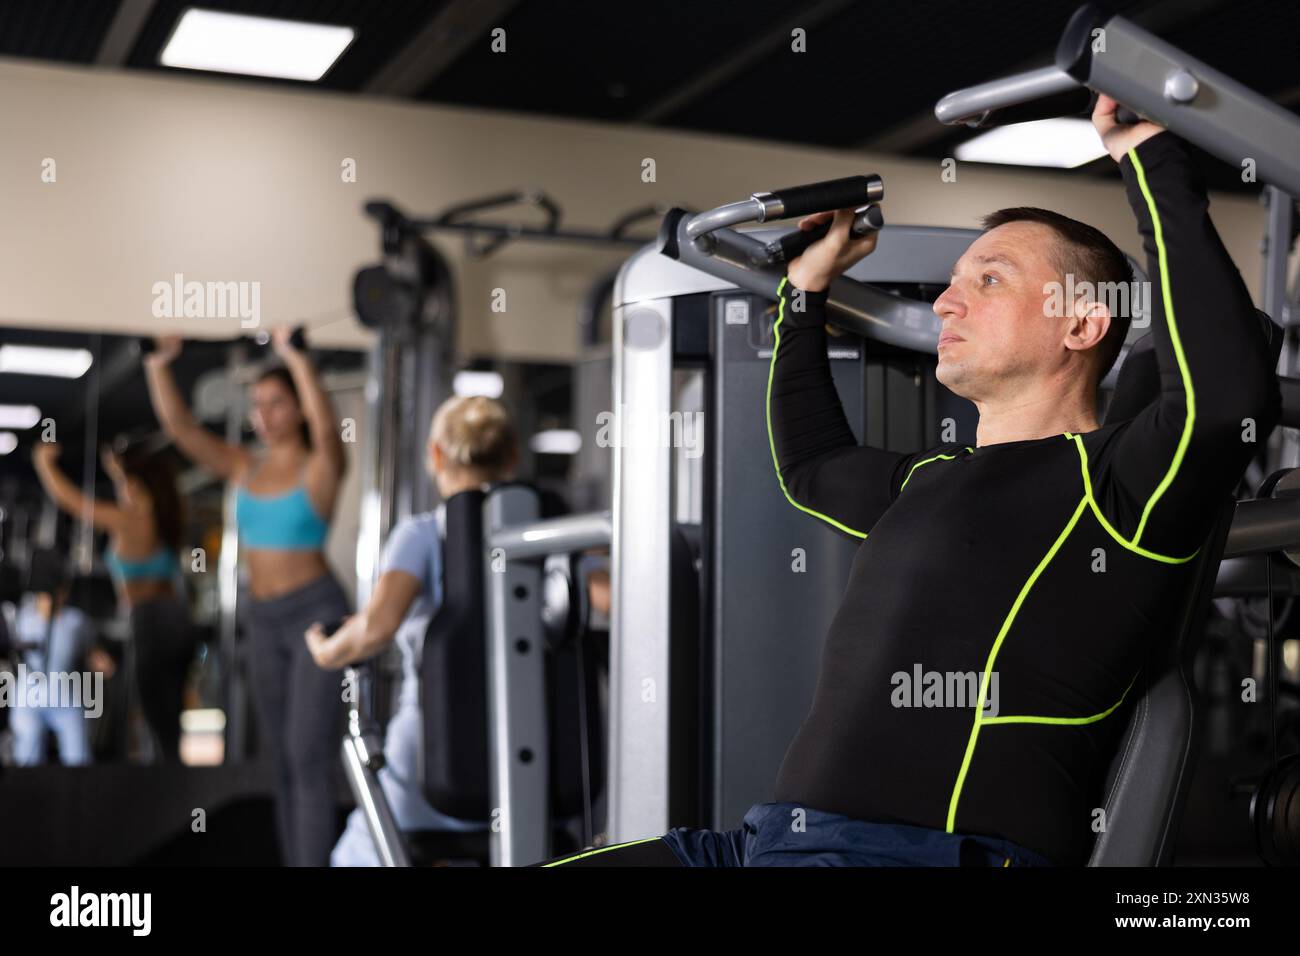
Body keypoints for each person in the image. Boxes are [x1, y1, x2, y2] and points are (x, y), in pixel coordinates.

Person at [541, 98, 1282, 866]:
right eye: (955, 282)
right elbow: (812, 466)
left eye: (989, 280)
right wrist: (805, 293)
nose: (949, 300)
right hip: (762, 844)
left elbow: (1227, 399)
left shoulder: (1119, 487)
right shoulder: (929, 478)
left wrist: (1148, 154)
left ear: (1083, 324)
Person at [144, 327, 349, 866]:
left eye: (276, 403)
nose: (265, 414)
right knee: (280, 759)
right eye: (258, 404)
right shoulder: (246, 466)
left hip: (316, 614)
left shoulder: (320, 465)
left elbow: (327, 430)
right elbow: (181, 429)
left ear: (299, 407)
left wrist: (295, 357)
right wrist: (157, 365)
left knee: (307, 756)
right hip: (264, 618)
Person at [304, 395, 518, 865]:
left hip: (433, 767)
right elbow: (610, 599)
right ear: (512, 458)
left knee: (350, 859)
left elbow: (375, 629)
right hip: (523, 774)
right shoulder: (546, 534)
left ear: (436, 455)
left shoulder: (420, 535)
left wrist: (325, 651)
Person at [33, 440, 193, 762]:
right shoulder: (162, 518)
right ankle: (171, 784)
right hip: (174, 618)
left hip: (151, 620)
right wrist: (119, 468)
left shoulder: (132, 520)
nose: (123, 490)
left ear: (143, 488)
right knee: (165, 718)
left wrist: (44, 463)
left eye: (129, 484)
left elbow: (74, 503)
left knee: (152, 716)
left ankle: (164, 788)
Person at [8, 548, 98, 766]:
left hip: (64, 695)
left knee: (78, 756)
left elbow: (92, 654)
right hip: (29, 695)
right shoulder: (19, 619)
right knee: (26, 750)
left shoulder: (76, 622)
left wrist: (98, 661)